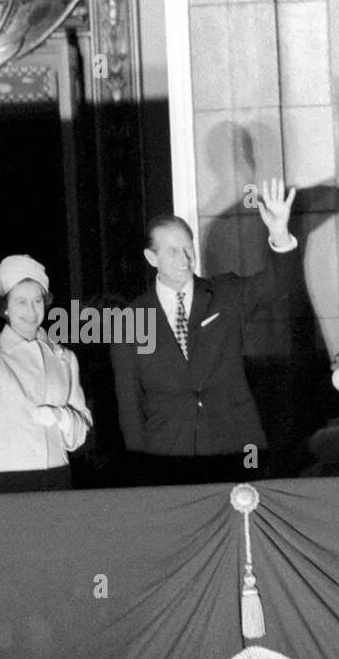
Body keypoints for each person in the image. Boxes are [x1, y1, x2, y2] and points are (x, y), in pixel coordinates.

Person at [110, 177, 297, 486]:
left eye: (188, 248)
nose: (185, 259)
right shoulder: (130, 320)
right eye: (172, 252)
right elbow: (129, 404)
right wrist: (140, 467)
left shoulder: (226, 294)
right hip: (167, 456)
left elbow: (279, 283)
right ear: (151, 258)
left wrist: (278, 232)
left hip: (235, 448)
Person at [0, 255, 92, 494]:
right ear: (5, 307)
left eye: (37, 301)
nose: (32, 311)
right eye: (21, 302)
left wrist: (63, 417)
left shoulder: (64, 358)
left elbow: (80, 433)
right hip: (0, 479)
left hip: (54, 477)